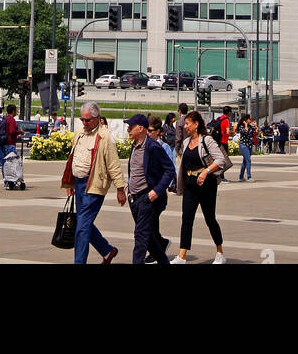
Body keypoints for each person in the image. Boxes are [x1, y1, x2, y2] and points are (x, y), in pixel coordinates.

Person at [61, 103, 127, 264]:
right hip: (79, 184)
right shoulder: (79, 134)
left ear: (97, 118)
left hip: (94, 186)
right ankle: (107, 250)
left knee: (82, 228)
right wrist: (70, 184)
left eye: (87, 120)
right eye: (82, 119)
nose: (84, 123)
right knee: (85, 224)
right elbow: (73, 158)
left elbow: (113, 164)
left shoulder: (105, 137)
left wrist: (120, 189)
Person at [172, 109, 227, 264]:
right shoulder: (185, 142)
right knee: (186, 219)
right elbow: (182, 164)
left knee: (210, 219)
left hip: (207, 185)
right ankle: (182, 256)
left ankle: (220, 252)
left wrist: (206, 171)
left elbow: (220, 160)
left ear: (196, 124)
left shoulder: (206, 140)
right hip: (190, 185)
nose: (185, 127)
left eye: (187, 124)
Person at [125, 113, 176, 265]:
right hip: (133, 199)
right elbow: (134, 170)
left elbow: (169, 170)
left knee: (140, 236)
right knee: (150, 237)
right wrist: (128, 191)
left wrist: (156, 191)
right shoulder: (134, 146)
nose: (128, 129)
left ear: (141, 128)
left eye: (131, 127)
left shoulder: (153, 147)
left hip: (147, 198)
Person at [0, 103, 20, 178]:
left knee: (4, 163)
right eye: (15, 111)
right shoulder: (11, 120)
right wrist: (20, 132)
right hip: (10, 144)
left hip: (2, 143)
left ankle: (6, 180)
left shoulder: (4, 119)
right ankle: (12, 179)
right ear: (13, 111)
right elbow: (12, 131)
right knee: (13, 163)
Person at [236, 114, 255, 181]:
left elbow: (254, 133)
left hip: (249, 145)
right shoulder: (241, 126)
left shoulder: (250, 126)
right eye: (249, 119)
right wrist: (246, 125)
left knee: (245, 161)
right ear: (246, 120)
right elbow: (245, 132)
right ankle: (249, 177)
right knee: (248, 160)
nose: (250, 120)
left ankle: (241, 177)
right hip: (243, 145)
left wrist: (255, 127)